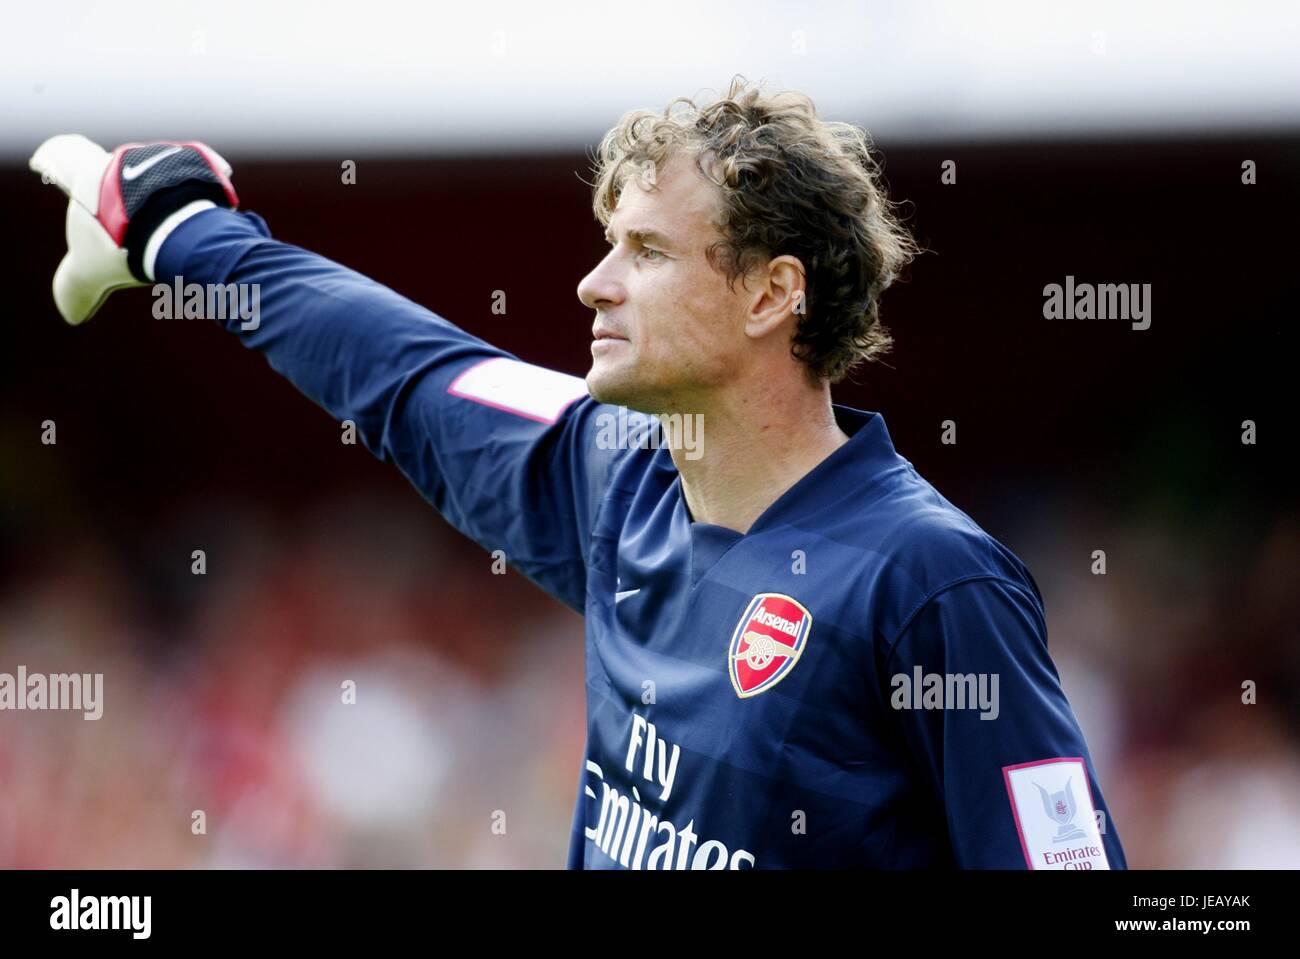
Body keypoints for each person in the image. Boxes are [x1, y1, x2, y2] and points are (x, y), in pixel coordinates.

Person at [30, 77, 1126, 869]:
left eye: (646, 251)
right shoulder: (619, 477)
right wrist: (182, 229)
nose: (594, 283)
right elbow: (414, 376)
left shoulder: (929, 580)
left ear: (768, 293)